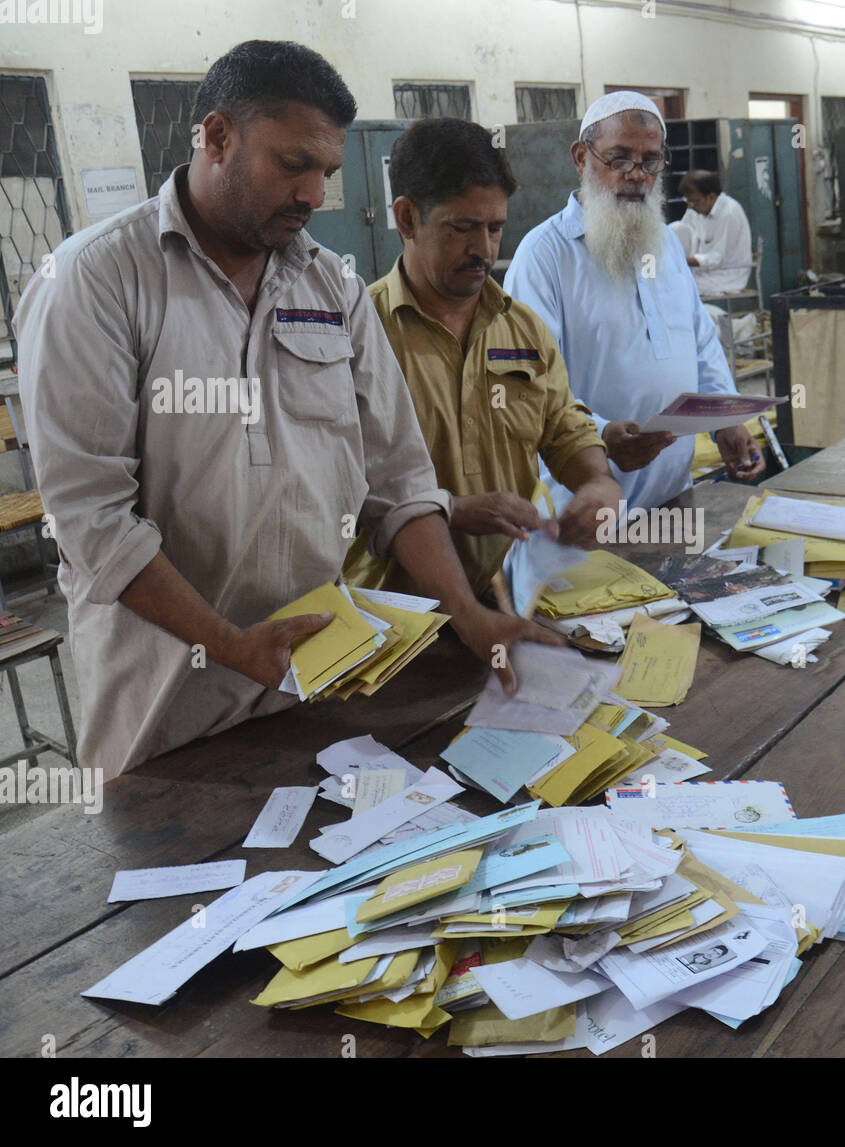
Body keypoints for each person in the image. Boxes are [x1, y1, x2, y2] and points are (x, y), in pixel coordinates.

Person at [14, 41, 554, 778]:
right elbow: (93, 522)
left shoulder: (329, 286)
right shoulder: (99, 279)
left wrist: (468, 612)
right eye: (292, 165)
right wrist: (232, 645)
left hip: (319, 685)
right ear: (215, 136)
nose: (312, 194)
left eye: (325, 173)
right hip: (166, 712)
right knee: (170, 888)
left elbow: (398, 480)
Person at [342, 118, 621, 599]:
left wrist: (597, 483)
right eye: (463, 228)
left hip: (511, 598)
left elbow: (563, 428)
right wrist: (450, 509)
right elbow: (328, 489)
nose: (484, 250)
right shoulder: (358, 336)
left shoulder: (523, 330)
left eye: (495, 228)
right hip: (402, 621)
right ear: (407, 218)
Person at [504, 91, 764, 511]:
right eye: (619, 159)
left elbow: (699, 340)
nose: (637, 175)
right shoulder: (545, 255)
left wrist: (725, 419)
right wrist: (601, 436)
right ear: (580, 157)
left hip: (673, 493)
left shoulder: (664, 242)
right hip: (583, 507)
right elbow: (529, 387)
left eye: (650, 161)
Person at [674, 170, 753, 296]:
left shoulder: (729, 213)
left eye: (694, 202)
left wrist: (682, 261)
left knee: (677, 286)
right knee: (676, 228)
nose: (691, 206)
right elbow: (682, 230)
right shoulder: (697, 209)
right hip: (703, 271)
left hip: (727, 275)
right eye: (688, 201)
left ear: (711, 197)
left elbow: (718, 258)